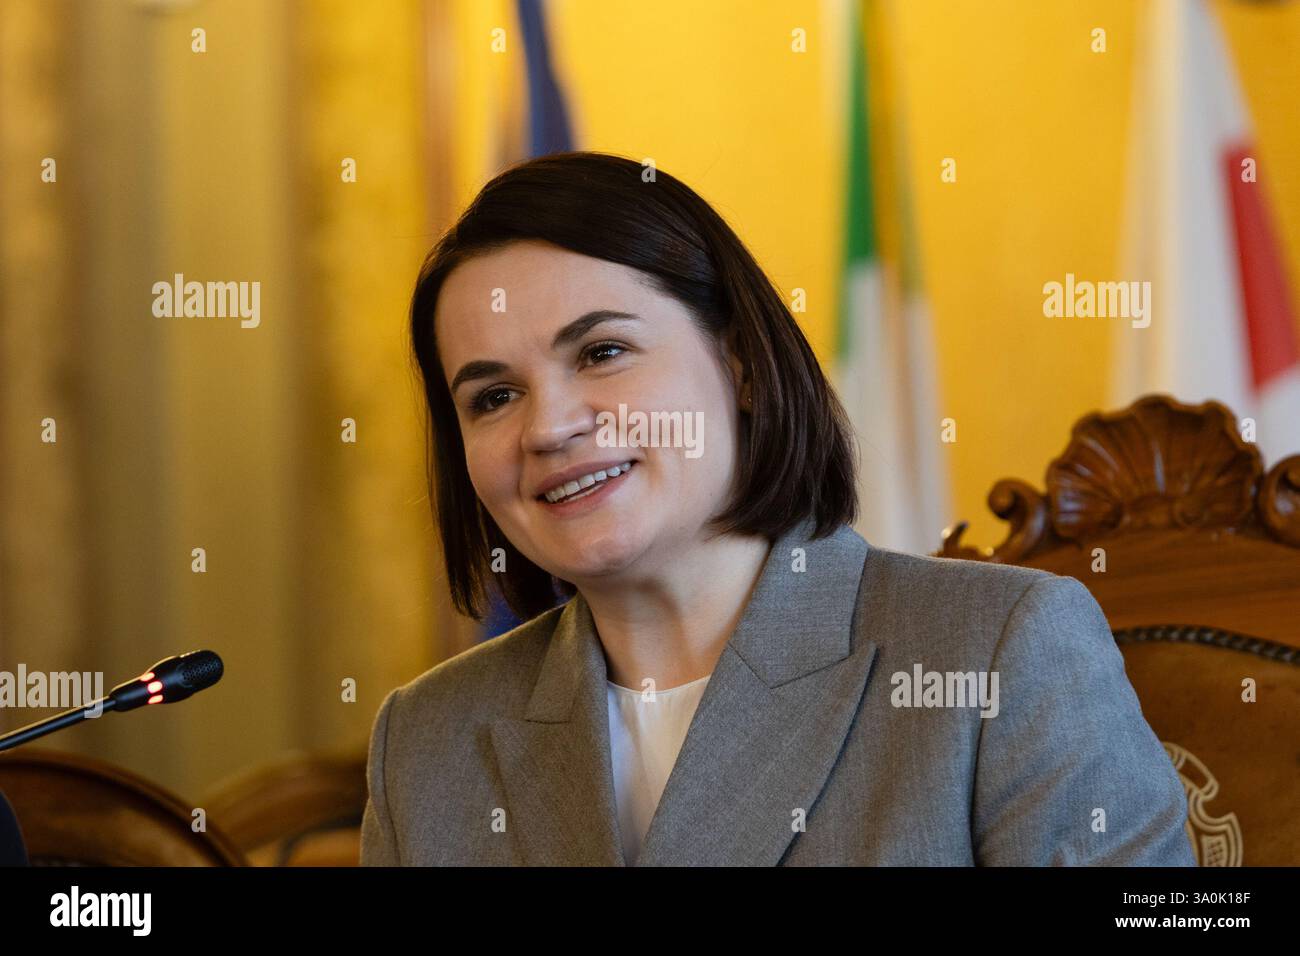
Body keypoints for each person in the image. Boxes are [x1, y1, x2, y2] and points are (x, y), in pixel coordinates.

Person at [360, 151, 1195, 866]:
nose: (549, 426)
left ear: (743, 366)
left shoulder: (1002, 652)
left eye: (603, 352)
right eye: (494, 396)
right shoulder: (426, 741)